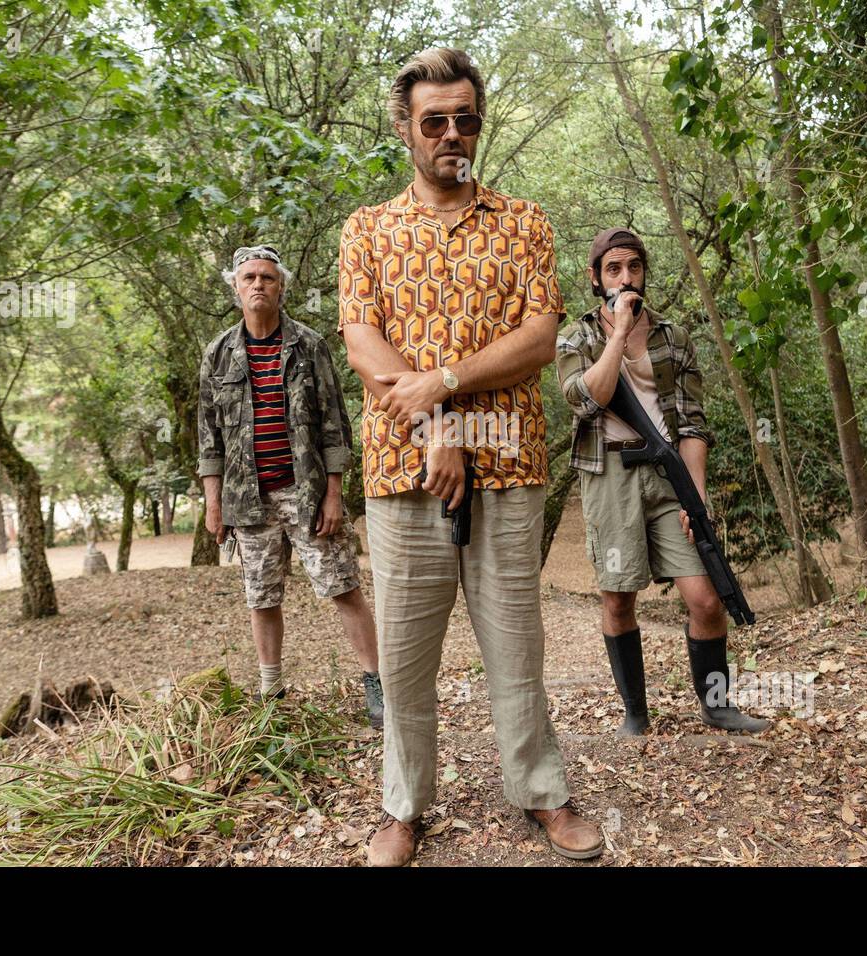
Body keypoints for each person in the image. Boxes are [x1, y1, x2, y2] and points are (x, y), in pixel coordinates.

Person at [338, 48, 603, 866]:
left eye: (467, 119)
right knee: (409, 653)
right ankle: (403, 806)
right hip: (401, 468)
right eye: (435, 120)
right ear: (405, 128)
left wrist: (446, 385)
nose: (453, 133)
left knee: (515, 643)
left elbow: (537, 337)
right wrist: (433, 425)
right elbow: (362, 340)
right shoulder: (367, 231)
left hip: (510, 464)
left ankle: (542, 792)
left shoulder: (523, 222)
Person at [555, 227, 769, 736]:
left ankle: (716, 706)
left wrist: (695, 497)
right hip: (609, 476)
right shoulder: (576, 337)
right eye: (613, 269)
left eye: (633, 267)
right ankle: (636, 713)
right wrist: (617, 335)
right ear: (595, 277)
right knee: (617, 596)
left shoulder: (675, 337)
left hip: (669, 473)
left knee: (706, 597)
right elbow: (588, 398)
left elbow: (693, 422)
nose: (626, 278)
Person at [198, 244, 383, 727]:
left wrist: (333, 493)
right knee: (262, 597)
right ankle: (271, 689)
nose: (258, 284)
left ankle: (377, 684)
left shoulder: (309, 345)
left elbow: (334, 425)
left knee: (343, 587)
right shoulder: (218, 353)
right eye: (248, 278)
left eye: (267, 277)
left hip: (305, 494)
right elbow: (208, 438)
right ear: (236, 288)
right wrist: (213, 504)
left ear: (281, 286)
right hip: (248, 500)